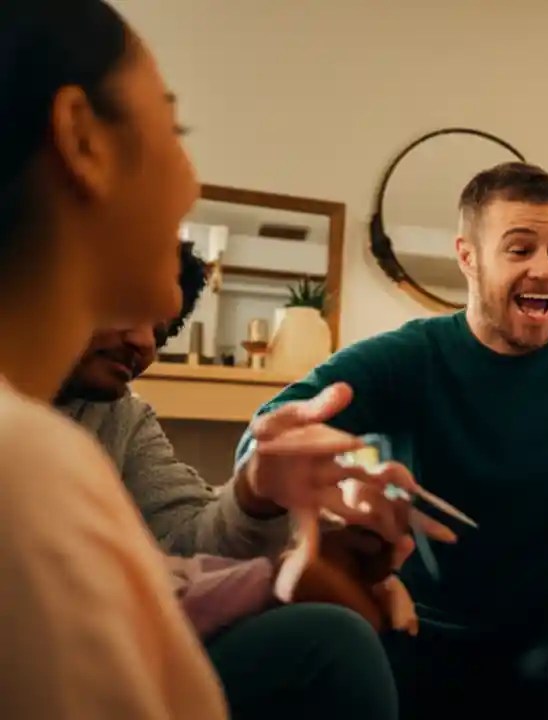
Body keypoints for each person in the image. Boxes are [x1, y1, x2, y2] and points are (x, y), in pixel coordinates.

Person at [0, 3, 448, 718]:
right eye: (175, 129)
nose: (191, 177)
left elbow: (170, 559)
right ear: (81, 137)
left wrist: (266, 511)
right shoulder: (29, 465)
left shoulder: (103, 429)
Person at [236, 161, 548, 719]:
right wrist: (331, 514)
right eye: (519, 249)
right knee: (318, 640)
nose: (545, 269)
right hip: (419, 632)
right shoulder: (409, 358)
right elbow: (270, 435)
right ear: (468, 257)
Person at [56, 241, 292, 557]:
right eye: (128, 309)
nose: (144, 342)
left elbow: (184, 535)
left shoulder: (123, 417)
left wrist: (255, 495)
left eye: (160, 333)